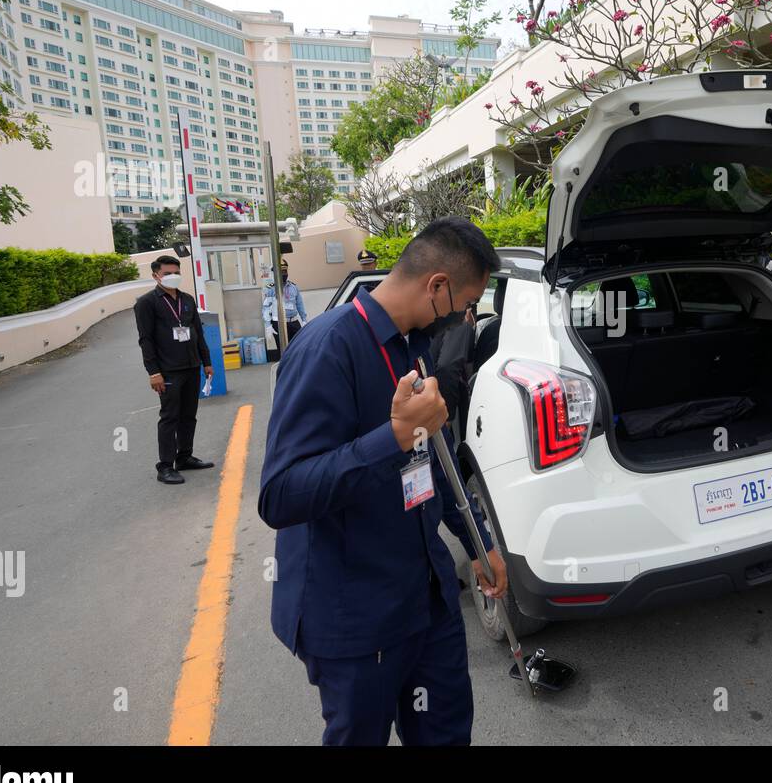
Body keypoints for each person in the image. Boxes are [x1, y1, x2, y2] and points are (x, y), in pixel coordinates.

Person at [259, 215, 507, 746]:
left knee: (445, 734)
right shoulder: (327, 348)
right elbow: (281, 495)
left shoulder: (410, 347)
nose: (463, 319)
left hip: (425, 600)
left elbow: (433, 462)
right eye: (464, 306)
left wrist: (481, 547)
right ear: (436, 286)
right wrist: (391, 437)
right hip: (356, 616)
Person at [134, 255, 216, 485]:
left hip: (191, 366)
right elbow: (146, 340)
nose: (172, 277)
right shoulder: (147, 303)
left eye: (176, 272)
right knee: (170, 417)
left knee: (189, 415)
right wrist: (153, 372)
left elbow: (198, 333)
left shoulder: (187, 300)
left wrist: (207, 362)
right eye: (167, 273)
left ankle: (185, 457)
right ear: (155, 276)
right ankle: (165, 466)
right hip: (167, 370)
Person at [261, 258, 307, 346]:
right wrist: (268, 325)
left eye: (285, 271)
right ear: (275, 273)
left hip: (294, 322)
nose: (284, 274)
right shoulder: (270, 289)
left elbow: (299, 304)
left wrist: (304, 320)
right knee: (284, 350)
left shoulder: (293, 287)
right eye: (281, 271)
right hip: (279, 324)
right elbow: (266, 308)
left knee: (299, 347)